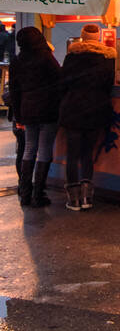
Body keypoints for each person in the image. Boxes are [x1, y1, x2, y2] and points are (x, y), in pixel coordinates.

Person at [59, 22, 116, 212]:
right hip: (96, 108)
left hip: (73, 108)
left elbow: (63, 82)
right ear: (98, 36)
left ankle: (73, 200)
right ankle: (87, 197)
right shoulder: (107, 57)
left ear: (83, 36)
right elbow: (109, 85)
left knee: (73, 154)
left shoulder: (72, 55)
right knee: (87, 154)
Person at [8, 26, 61, 207]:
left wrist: (18, 115)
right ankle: (38, 194)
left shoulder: (17, 61)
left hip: (27, 109)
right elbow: (59, 80)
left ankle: (25, 194)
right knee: (44, 150)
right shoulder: (46, 57)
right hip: (48, 110)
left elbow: (14, 91)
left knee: (29, 149)